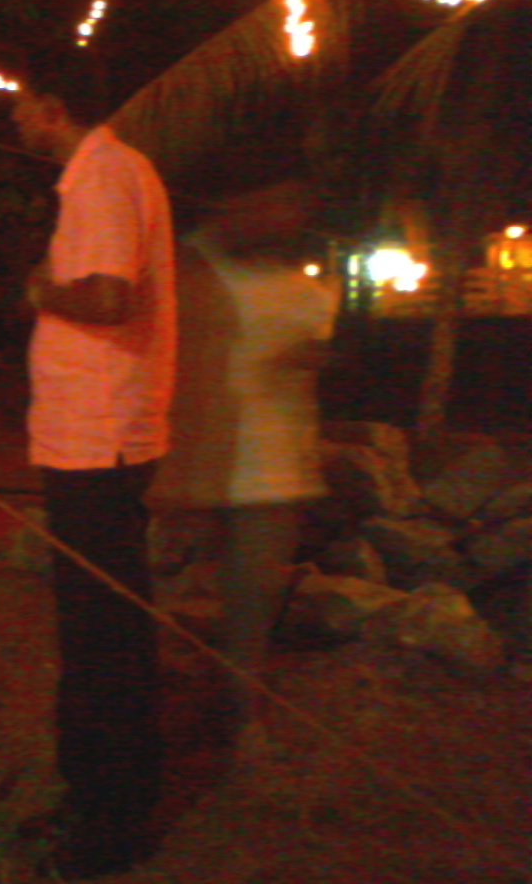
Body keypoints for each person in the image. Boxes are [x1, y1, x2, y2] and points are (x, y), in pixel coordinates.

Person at [10, 45, 176, 881]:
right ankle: (89, 797)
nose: (14, 114)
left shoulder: (106, 176)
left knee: (105, 636)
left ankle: (113, 825)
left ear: (52, 105)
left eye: (22, 98)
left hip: (99, 442)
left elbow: (111, 299)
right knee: (91, 633)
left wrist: (42, 293)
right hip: (85, 438)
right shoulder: (95, 178)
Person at [148, 179, 337, 756]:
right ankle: (150, 719)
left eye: (293, 204)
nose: (280, 215)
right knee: (158, 599)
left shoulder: (310, 286)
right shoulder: (187, 267)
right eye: (268, 200)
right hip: (194, 465)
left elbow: (311, 368)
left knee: (252, 605)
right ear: (231, 199)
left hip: (277, 472)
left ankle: (236, 713)